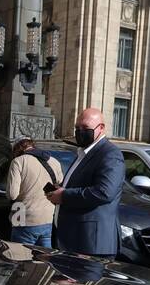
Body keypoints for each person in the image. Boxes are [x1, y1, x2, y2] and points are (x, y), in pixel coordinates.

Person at [48, 106, 124, 258]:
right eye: (77, 127)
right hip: (75, 240)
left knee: (87, 282)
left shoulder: (110, 154)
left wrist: (65, 195)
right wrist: (60, 190)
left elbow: (104, 192)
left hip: (91, 244)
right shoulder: (84, 152)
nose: (80, 132)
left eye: (85, 127)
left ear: (101, 128)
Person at [4, 138, 62, 249]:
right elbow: (60, 186)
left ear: (17, 149)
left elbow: (12, 194)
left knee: (21, 259)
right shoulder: (54, 161)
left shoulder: (18, 161)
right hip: (48, 219)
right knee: (43, 260)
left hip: (23, 218)